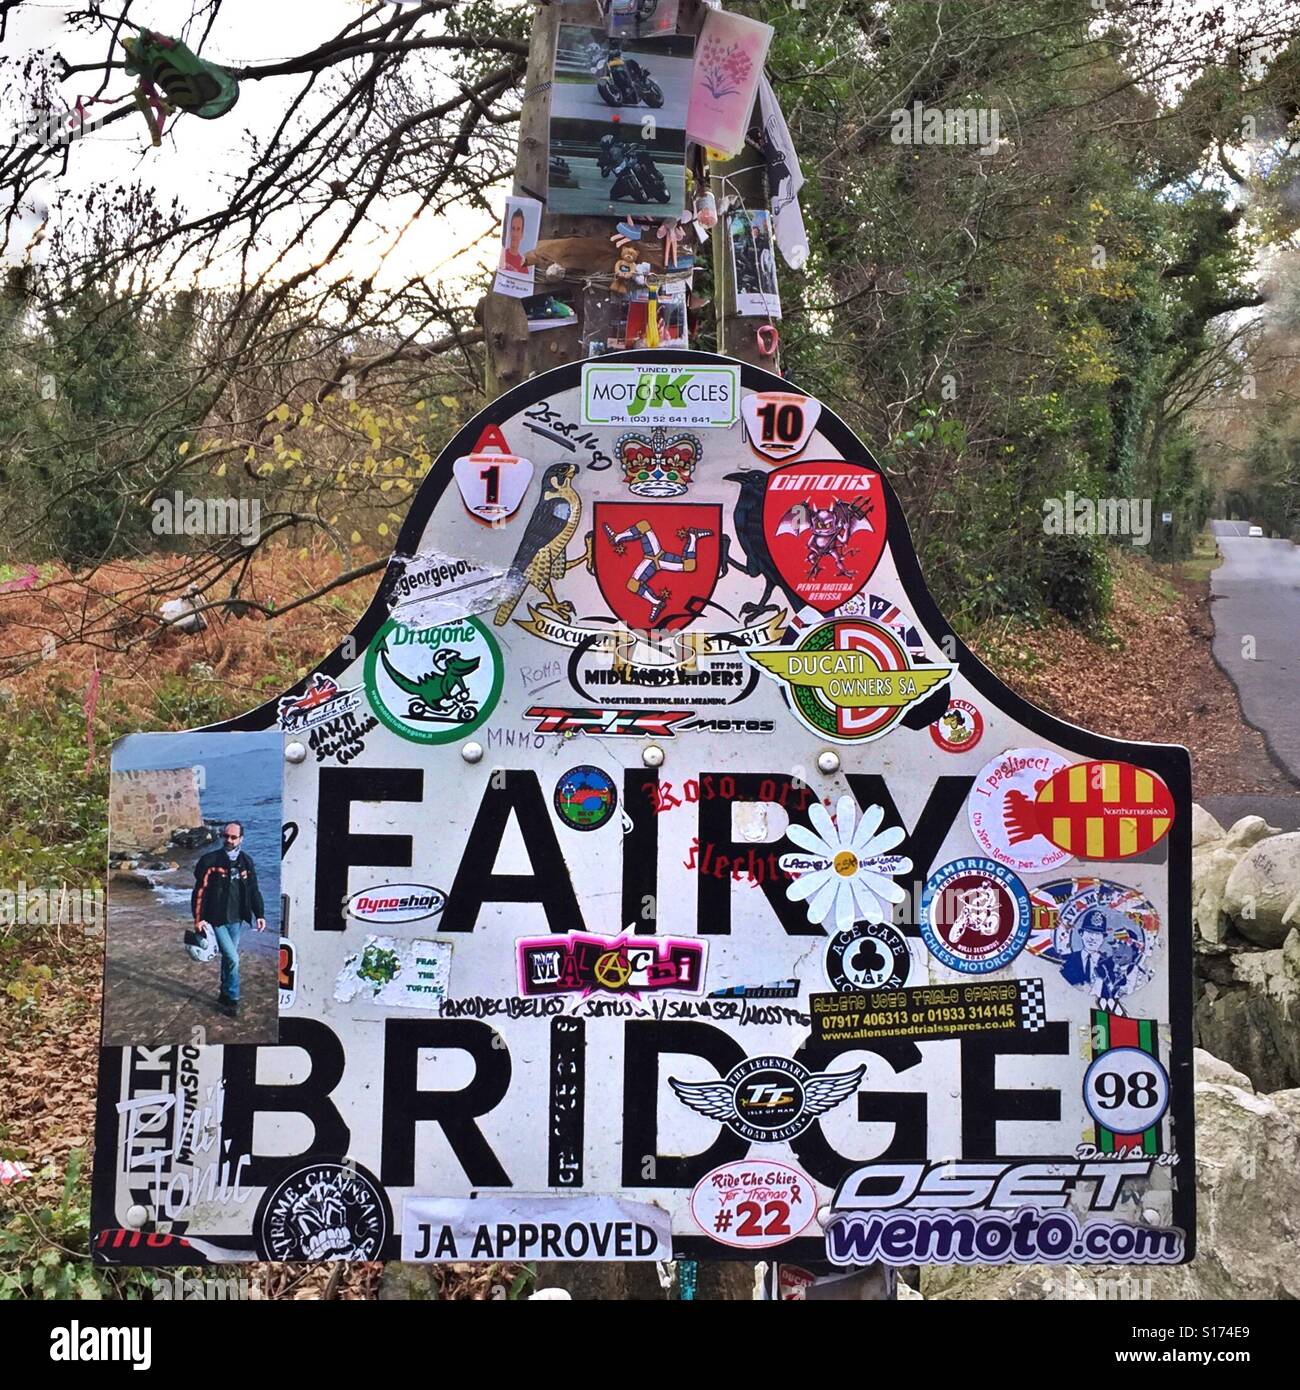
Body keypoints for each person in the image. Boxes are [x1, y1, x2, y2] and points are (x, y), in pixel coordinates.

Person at [192, 821, 266, 1018]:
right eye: (226, 836)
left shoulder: (247, 862)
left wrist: (259, 914)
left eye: (233, 837)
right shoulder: (209, 861)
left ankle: (224, 994)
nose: (229, 840)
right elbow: (199, 891)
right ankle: (232, 998)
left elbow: (253, 890)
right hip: (215, 919)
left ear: (241, 839)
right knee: (233, 958)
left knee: (228, 957)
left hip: (237, 919)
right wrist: (198, 919)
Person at [499, 206, 529, 273]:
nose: (515, 234)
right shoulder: (501, 256)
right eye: (513, 228)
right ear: (509, 231)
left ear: (522, 234)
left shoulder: (523, 266)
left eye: (518, 229)